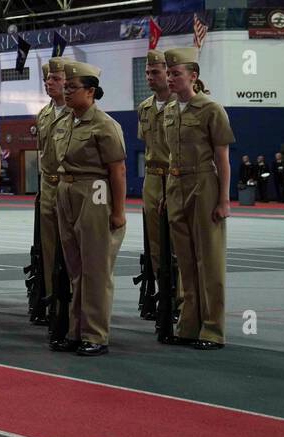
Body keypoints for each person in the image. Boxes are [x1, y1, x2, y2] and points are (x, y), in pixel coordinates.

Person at [52, 61, 127, 356]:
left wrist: (118, 212)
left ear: (91, 91)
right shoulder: (65, 122)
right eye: (65, 87)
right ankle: (76, 330)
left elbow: (118, 170)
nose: (66, 92)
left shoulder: (105, 125)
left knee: (95, 269)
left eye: (72, 88)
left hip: (94, 192)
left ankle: (95, 334)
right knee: (76, 269)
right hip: (67, 191)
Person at [163, 47, 235, 350]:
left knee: (210, 260)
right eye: (168, 74)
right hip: (175, 184)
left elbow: (223, 158)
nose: (170, 78)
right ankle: (189, 324)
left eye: (175, 73)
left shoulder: (211, 109)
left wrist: (224, 200)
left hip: (203, 183)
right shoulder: (168, 110)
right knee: (186, 261)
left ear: (193, 76)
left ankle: (213, 329)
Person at [32, 57, 70, 323]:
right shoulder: (44, 114)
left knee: (70, 248)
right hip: (47, 185)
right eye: (47, 79)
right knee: (47, 247)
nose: (50, 83)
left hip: (69, 185)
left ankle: (69, 302)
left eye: (55, 79)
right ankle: (50, 299)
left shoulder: (75, 111)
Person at [136, 50, 175, 310]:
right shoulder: (145, 108)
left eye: (155, 72)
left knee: (177, 242)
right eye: (148, 73)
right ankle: (163, 295)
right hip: (152, 179)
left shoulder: (181, 105)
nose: (150, 77)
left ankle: (180, 296)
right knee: (154, 243)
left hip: (176, 177)